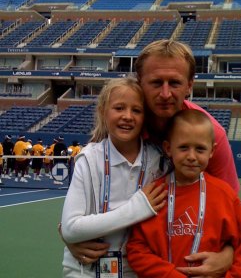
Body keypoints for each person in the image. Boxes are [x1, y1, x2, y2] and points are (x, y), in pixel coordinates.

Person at [63, 40, 240, 276]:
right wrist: (69, 234)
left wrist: (227, 254)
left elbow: (230, 211)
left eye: (175, 83)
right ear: (140, 83)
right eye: (156, 82)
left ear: (189, 85)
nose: (165, 93)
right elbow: (89, 195)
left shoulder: (210, 134)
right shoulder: (127, 121)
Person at [127, 110, 241, 277]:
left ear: (212, 151)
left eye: (200, 149)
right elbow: (136, 250)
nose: (192, 156)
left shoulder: (226, 196)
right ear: (168, 148)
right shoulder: (154, 194)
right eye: (183, 147)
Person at [61, 77, 168, 277]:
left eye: (136, 110)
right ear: (103, 111)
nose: (128, 116)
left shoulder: (158, 162)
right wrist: (138, 208)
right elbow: (70, 228)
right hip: (84, 269)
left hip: (137, 270)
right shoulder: (89, 158)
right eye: (119, 108)